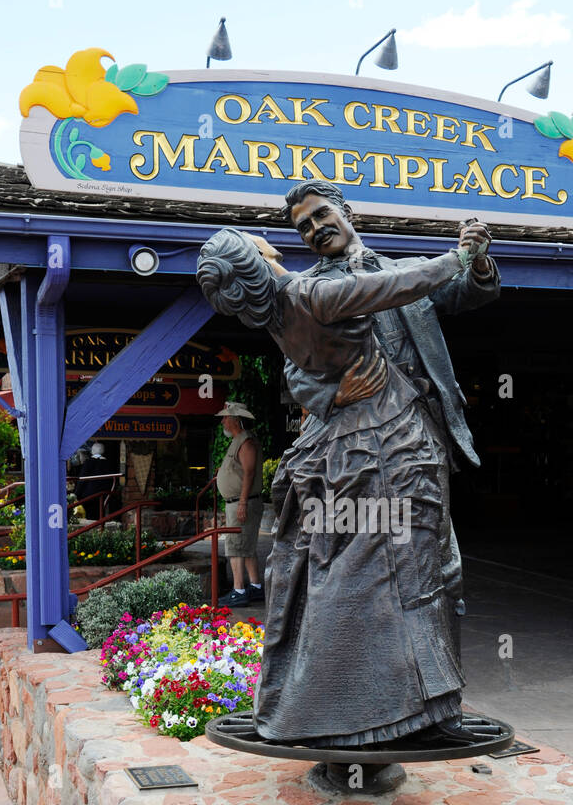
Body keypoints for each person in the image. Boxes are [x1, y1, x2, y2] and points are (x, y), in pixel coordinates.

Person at [197, 227, 492, 747]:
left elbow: (429, 292)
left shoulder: (273, 312)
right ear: (259, 260)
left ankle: (335, 708)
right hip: (387, 442)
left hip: (337, 453)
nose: (289, 241)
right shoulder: (307, 292)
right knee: (408, 569)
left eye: (318, 217)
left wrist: (471, 269)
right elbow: (395, 286)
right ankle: (394, 712)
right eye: (267, 244)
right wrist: (458, 254)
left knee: (338, 571)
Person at [280, 180, 500, 629]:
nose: (316, 228)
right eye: (305, 227)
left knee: (430, 540)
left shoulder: (409, 270)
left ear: (347, 213)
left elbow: (468, 292)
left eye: (322, 215)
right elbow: (295, 372)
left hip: (421, 426)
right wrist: (335, 395)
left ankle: (433, 630)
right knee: (365, 539)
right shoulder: (306, 292)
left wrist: (474, 258)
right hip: (357, 434)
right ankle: (362, 638)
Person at [215, 401, 265, 607]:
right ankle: (255, 587)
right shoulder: (240, 441)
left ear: (235, 419)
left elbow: (249, 472)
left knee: (235, 547)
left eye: (226, 417)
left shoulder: (246, 441)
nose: (223, 421)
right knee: (246, 546)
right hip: (238, 502)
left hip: (242, 503)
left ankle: (239, 590)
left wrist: (243, 502)